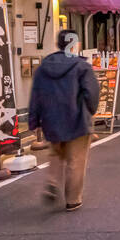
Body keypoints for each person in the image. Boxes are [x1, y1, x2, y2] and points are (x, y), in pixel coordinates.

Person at [28, 30, 100, 212]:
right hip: (76, 120)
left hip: (51, 120)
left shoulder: (44, 66)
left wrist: (33, 120)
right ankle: (73, 200)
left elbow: (36, 95)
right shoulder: (81, 67)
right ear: (75, 44)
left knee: (56, 154)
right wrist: (89, 112)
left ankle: (52, 181)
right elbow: (92, 93)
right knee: (76, 160)